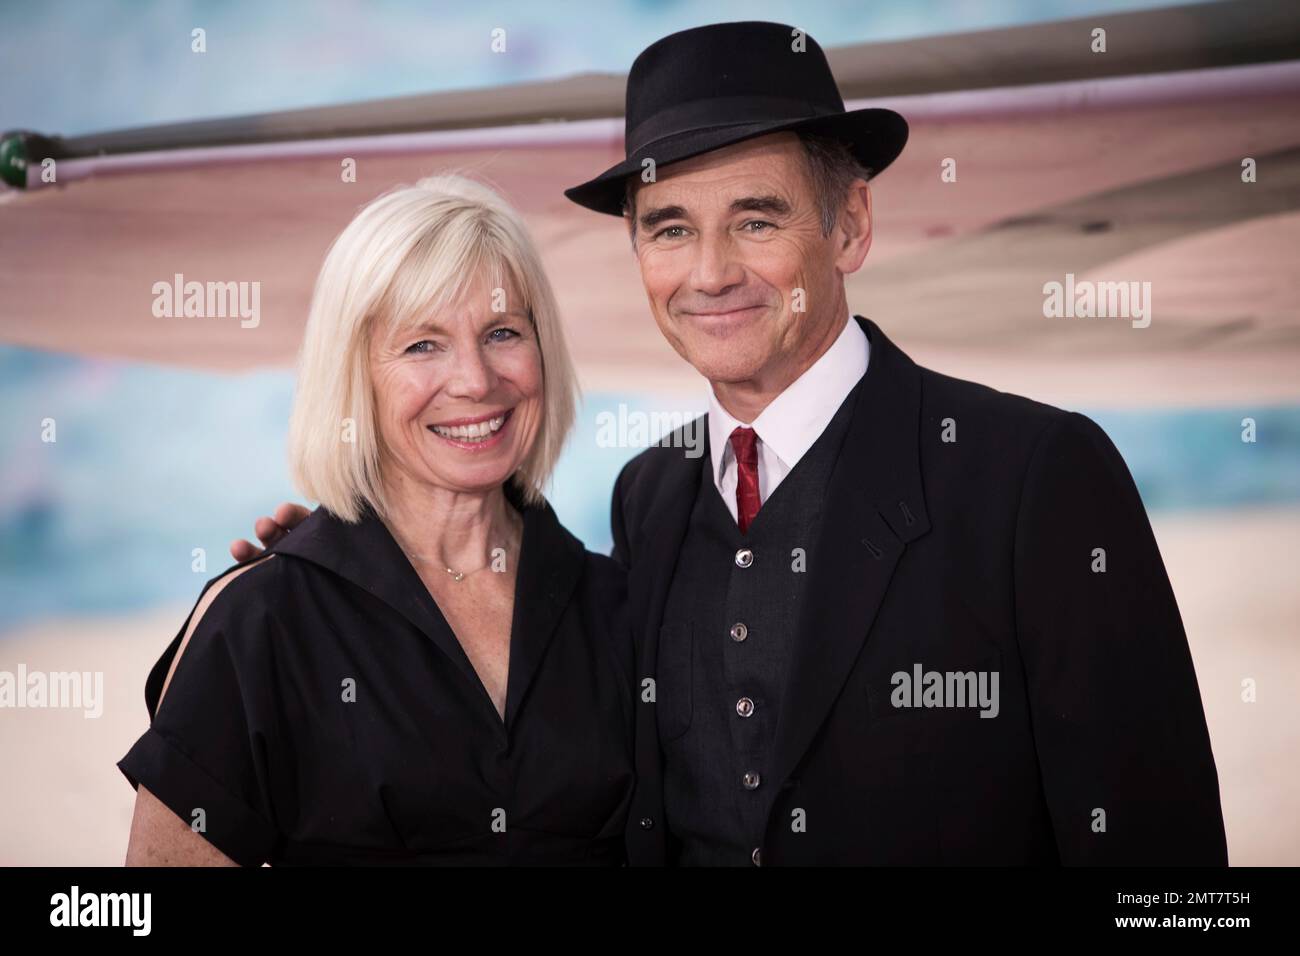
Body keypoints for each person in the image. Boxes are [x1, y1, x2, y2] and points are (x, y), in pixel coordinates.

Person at [237, 22, 1229, 866]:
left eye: (755, 220)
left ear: (849, 225)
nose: (708, 272)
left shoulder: (1034, 477)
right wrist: (349, 564)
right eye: (669, 228)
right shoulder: (649, 497)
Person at [119, 174, 635, 866]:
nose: (476, 381)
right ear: (353, 373)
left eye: (503, 332)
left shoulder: (620, 609)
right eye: (423, 345)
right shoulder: (263, 621)